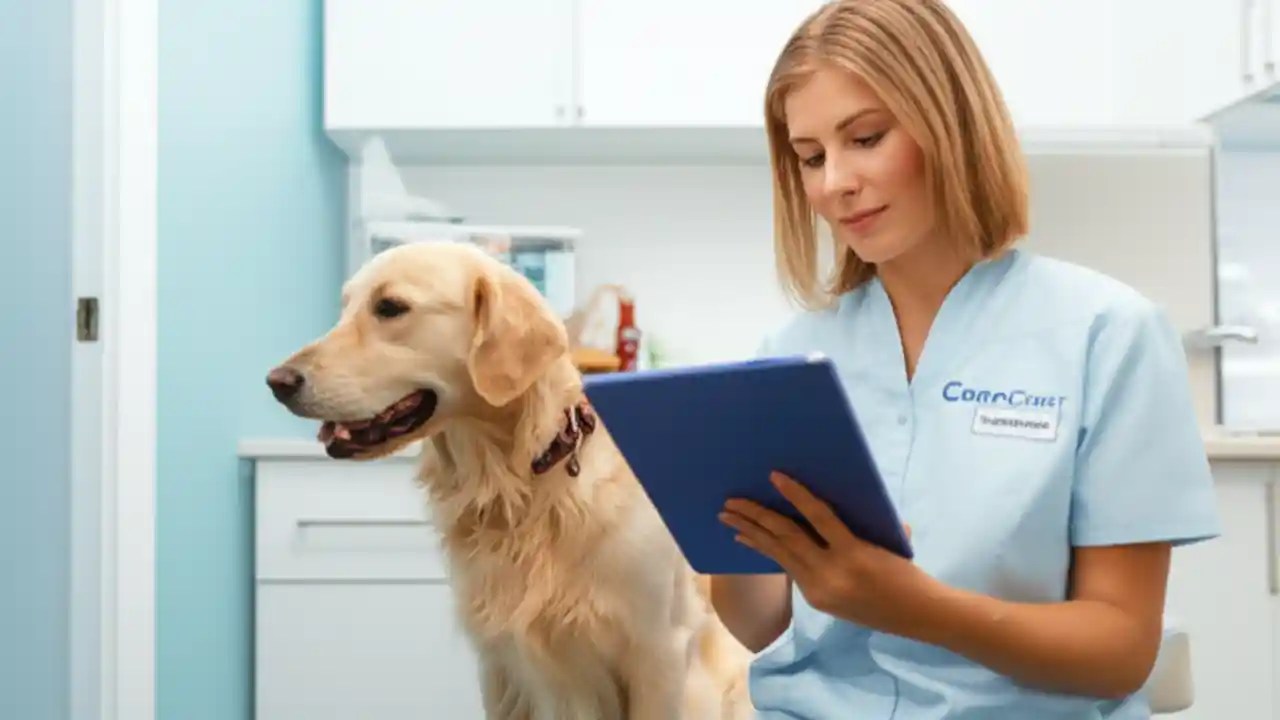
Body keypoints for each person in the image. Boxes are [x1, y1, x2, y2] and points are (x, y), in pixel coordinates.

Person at [710, 1, 1222, 718]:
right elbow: (757, 622)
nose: (835, 184)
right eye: (811, 157)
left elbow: (1121, 649)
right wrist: (720, 521)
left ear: (949, 123)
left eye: (865, 138)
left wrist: (917, 607)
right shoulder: (789, 358)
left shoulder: (1106, 335)